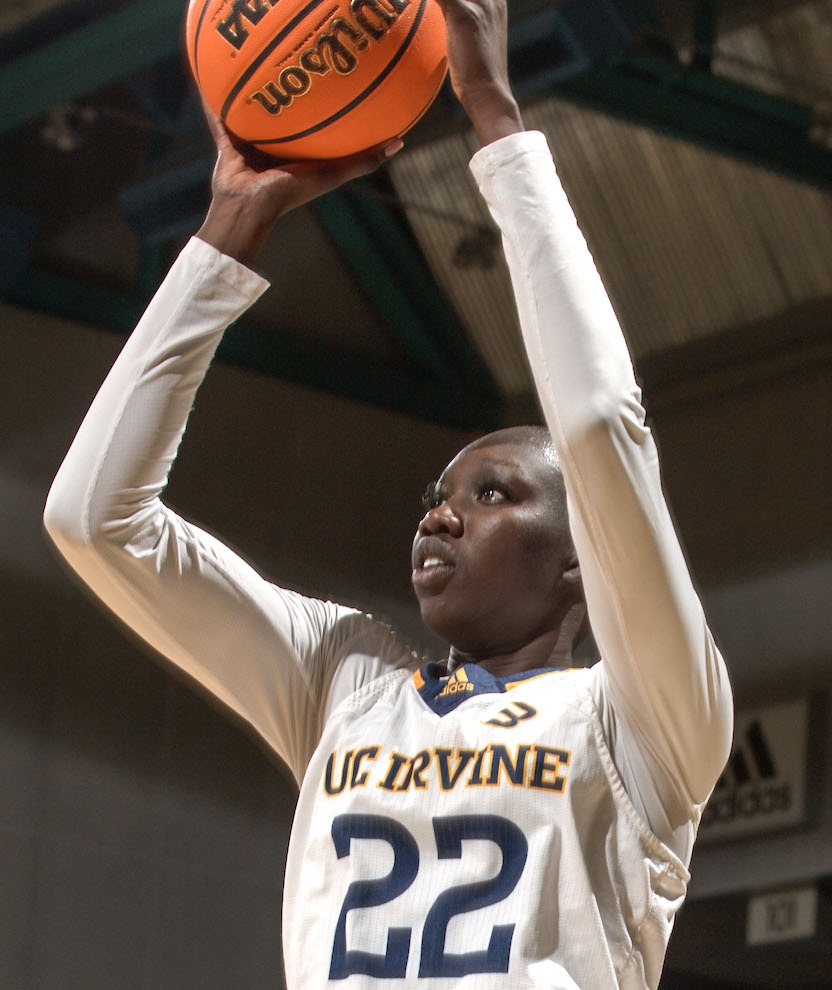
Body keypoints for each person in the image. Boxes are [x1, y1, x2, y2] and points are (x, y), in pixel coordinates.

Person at [43, 1, 732, 986]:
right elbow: (94, 522)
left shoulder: (647, 721)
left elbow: (597, 430)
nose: (440, 514)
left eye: (494, 494)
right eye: (438, 493)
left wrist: (497, 126)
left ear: (583, 556)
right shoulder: (349, 685)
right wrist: (230, 231)